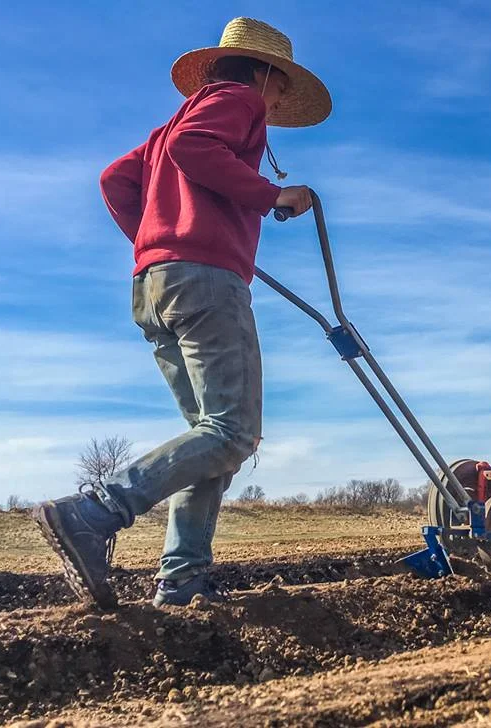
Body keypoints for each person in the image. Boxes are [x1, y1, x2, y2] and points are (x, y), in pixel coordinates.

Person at [33, 17, 331, 609]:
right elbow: (197, 148)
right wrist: (272, 195)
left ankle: (183, 579)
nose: (275, 101)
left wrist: (158, 240)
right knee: (232, 433)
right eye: (280, 88)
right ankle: (95, 513)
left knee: (213, 437)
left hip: (156, 286)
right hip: (205, 284)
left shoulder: (171, 123)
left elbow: (115, 180)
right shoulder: (238, 98)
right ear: (265, 71)